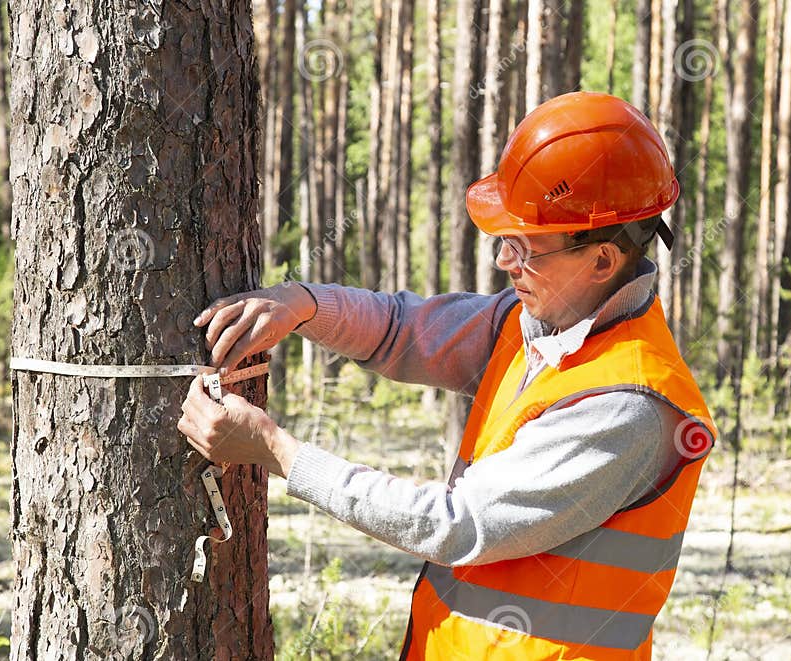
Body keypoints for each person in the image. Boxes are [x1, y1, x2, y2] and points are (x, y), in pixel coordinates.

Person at [177, 91, 717, 660]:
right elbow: (403, 329)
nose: (505, 262)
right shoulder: (534, 326)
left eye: (524, 247)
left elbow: (455, 524)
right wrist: (303, 305)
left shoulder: (626, 405)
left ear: (602, 261)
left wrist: (279, 452)